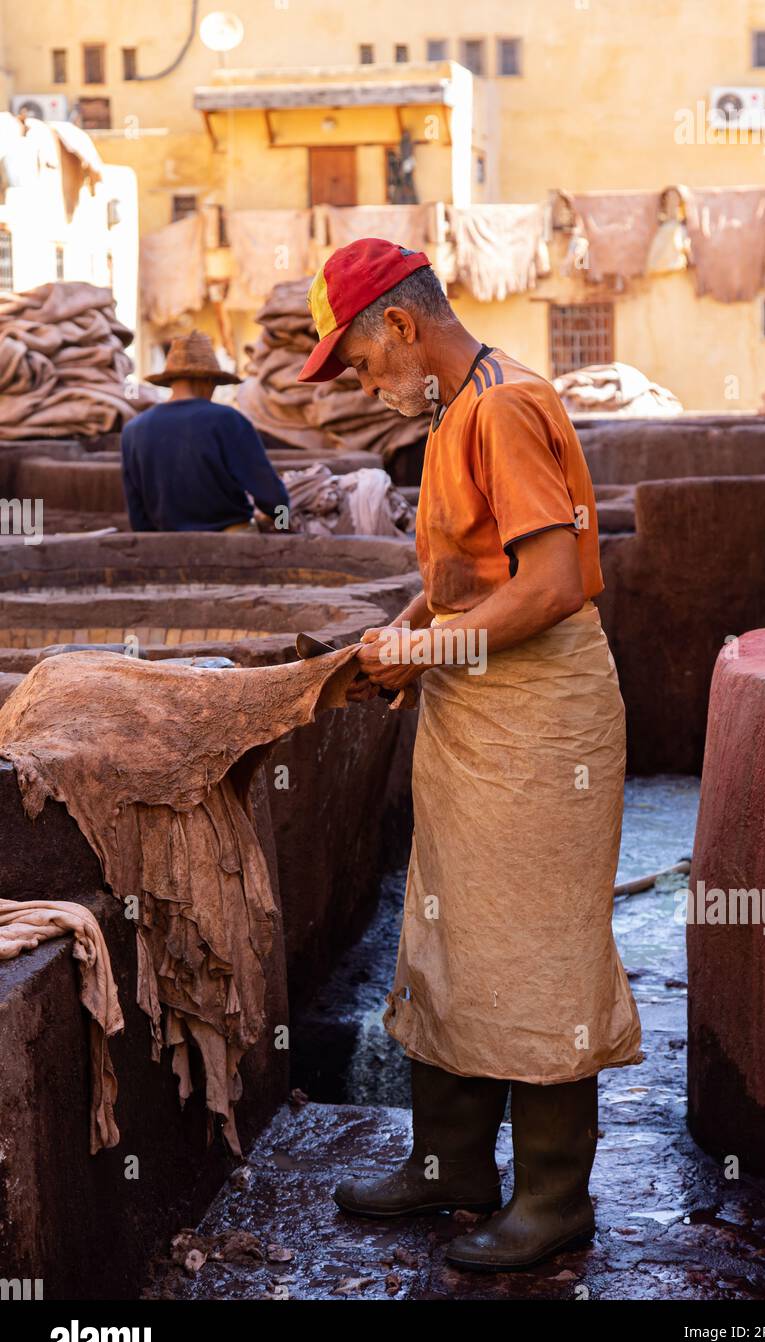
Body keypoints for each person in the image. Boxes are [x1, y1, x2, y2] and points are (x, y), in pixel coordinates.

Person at [297, 238, 643, 1274]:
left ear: (399, 326)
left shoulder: (500, 405)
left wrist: (426, 646)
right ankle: (451, 1165)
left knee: (534, 950)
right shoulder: (455, 408)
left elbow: (545, 587)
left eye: (357, 361)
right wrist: (406, 636)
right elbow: (462, 582)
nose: (363, 384)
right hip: (474, 704)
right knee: (448, 936)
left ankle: (552, 1199)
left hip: (539, 713)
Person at [121, 331, 288, 533]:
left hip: (165, 546)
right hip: (232, 541)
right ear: (208, 381)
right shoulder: (227, 420)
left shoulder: (133, 430)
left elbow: (137, 512)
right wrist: (283, 524)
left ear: (172, 381)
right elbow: (272, 495)